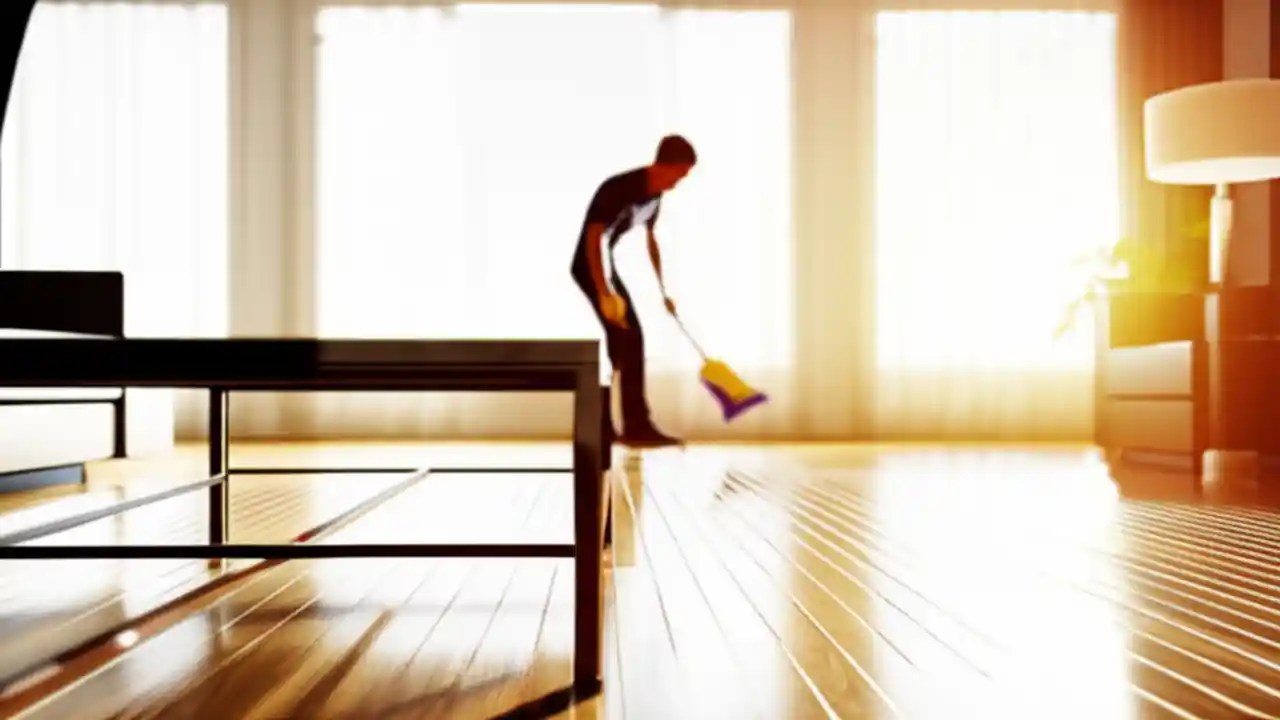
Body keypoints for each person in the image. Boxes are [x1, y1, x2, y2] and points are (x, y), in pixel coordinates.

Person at [570, 135, 696, 448]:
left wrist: (663, 290)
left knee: (627, 343)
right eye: (678, 174)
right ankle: (619, 427)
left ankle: (626, 427)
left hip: (607, 266)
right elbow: (594, 238)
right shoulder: (619, 187)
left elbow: (650, 240)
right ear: (662, 165)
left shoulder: (655, 196)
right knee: (625, 342)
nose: (678, 182)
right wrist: (603, 291)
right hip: (590, 266)